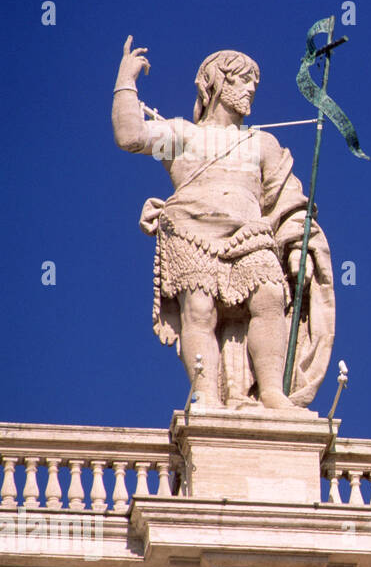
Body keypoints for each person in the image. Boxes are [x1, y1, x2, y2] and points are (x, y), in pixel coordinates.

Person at [112, 36, 334, 409]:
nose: (250, 90)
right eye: (241, 80)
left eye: (254, 84)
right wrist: (126, 80)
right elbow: (130, 136)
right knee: (199, 310)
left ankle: (271, 392)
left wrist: (298, 246)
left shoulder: (261, 144)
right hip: (191, 232)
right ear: (214, 82)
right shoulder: (183, 137)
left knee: (268, 298)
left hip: (250, 235)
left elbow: (290, 202)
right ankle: (206, 395)